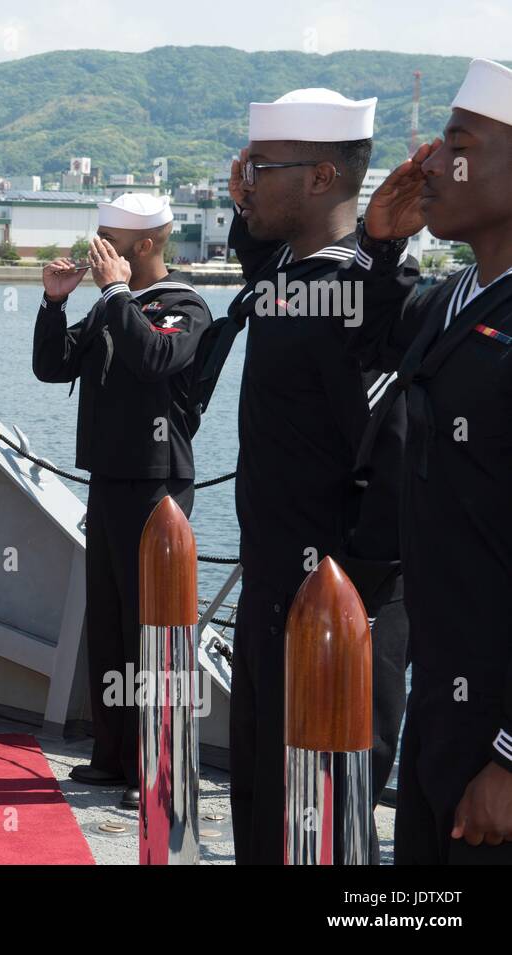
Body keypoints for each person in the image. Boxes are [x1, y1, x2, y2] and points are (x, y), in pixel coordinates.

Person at [226, 88, 412, 864]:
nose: (243, 175)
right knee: (264, 824)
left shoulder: (365, 305)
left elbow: (393, 467)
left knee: (321, 834)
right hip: (273, 597)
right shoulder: (287, 276)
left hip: (338, 615)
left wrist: (346, 605)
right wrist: (247, 205)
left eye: (262, 166)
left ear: (320, 177)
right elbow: (263, 261)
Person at [346, 57, 512, 862]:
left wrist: (511, 756)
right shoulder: (456, 298)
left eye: (460, 142)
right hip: (439, 699)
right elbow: (370, 341)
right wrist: (377, 248)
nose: (432, 163)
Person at [32, 194, 211, 810]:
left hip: (158, 491)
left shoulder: (184, 306)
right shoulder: (118, 307)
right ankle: (113, 758)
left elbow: (155, 358)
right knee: (108, 628)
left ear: (142, 247)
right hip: (107, 483)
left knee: (154, 634)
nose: (94, 249)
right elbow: (52, 367)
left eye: (106, 238)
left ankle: (159, 769)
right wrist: (55, 303)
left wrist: (113, 297)